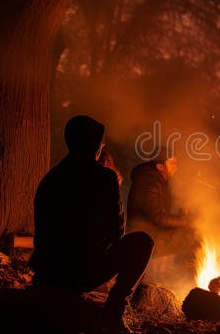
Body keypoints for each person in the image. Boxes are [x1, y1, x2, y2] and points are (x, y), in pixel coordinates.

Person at [30, 115, 154, 322]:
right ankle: (115, 309)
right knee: (142, 242)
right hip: (80, 274)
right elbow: (117, 231)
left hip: (47, 272)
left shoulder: (51, 178)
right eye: (101, 143)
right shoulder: (105, 178)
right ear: (95, 145)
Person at [127, 153, 196, 277]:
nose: (176, 167)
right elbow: (157, 218)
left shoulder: (159, 181)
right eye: (172, 163)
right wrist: (187, 222)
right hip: (145, 239)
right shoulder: (148, 182)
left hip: (153, 235)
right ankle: (181, 277)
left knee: (192, 233)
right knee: (193, 237)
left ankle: (177, 276)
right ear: (160, 166)